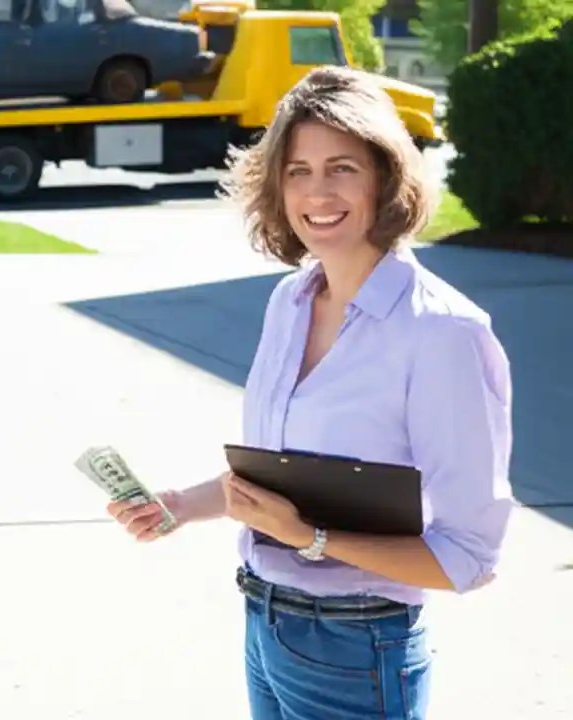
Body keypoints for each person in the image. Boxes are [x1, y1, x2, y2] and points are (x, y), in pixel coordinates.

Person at [107, 66, 514, 720]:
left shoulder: (442, 334)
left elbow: (467, 558)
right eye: (297, 170)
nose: (317, 191)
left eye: (342, 167)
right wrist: (179, 504)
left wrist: (313, 538)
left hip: (358, 647)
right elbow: (283, 486)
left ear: (385, 176)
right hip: (265, 626)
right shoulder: (290, 302)